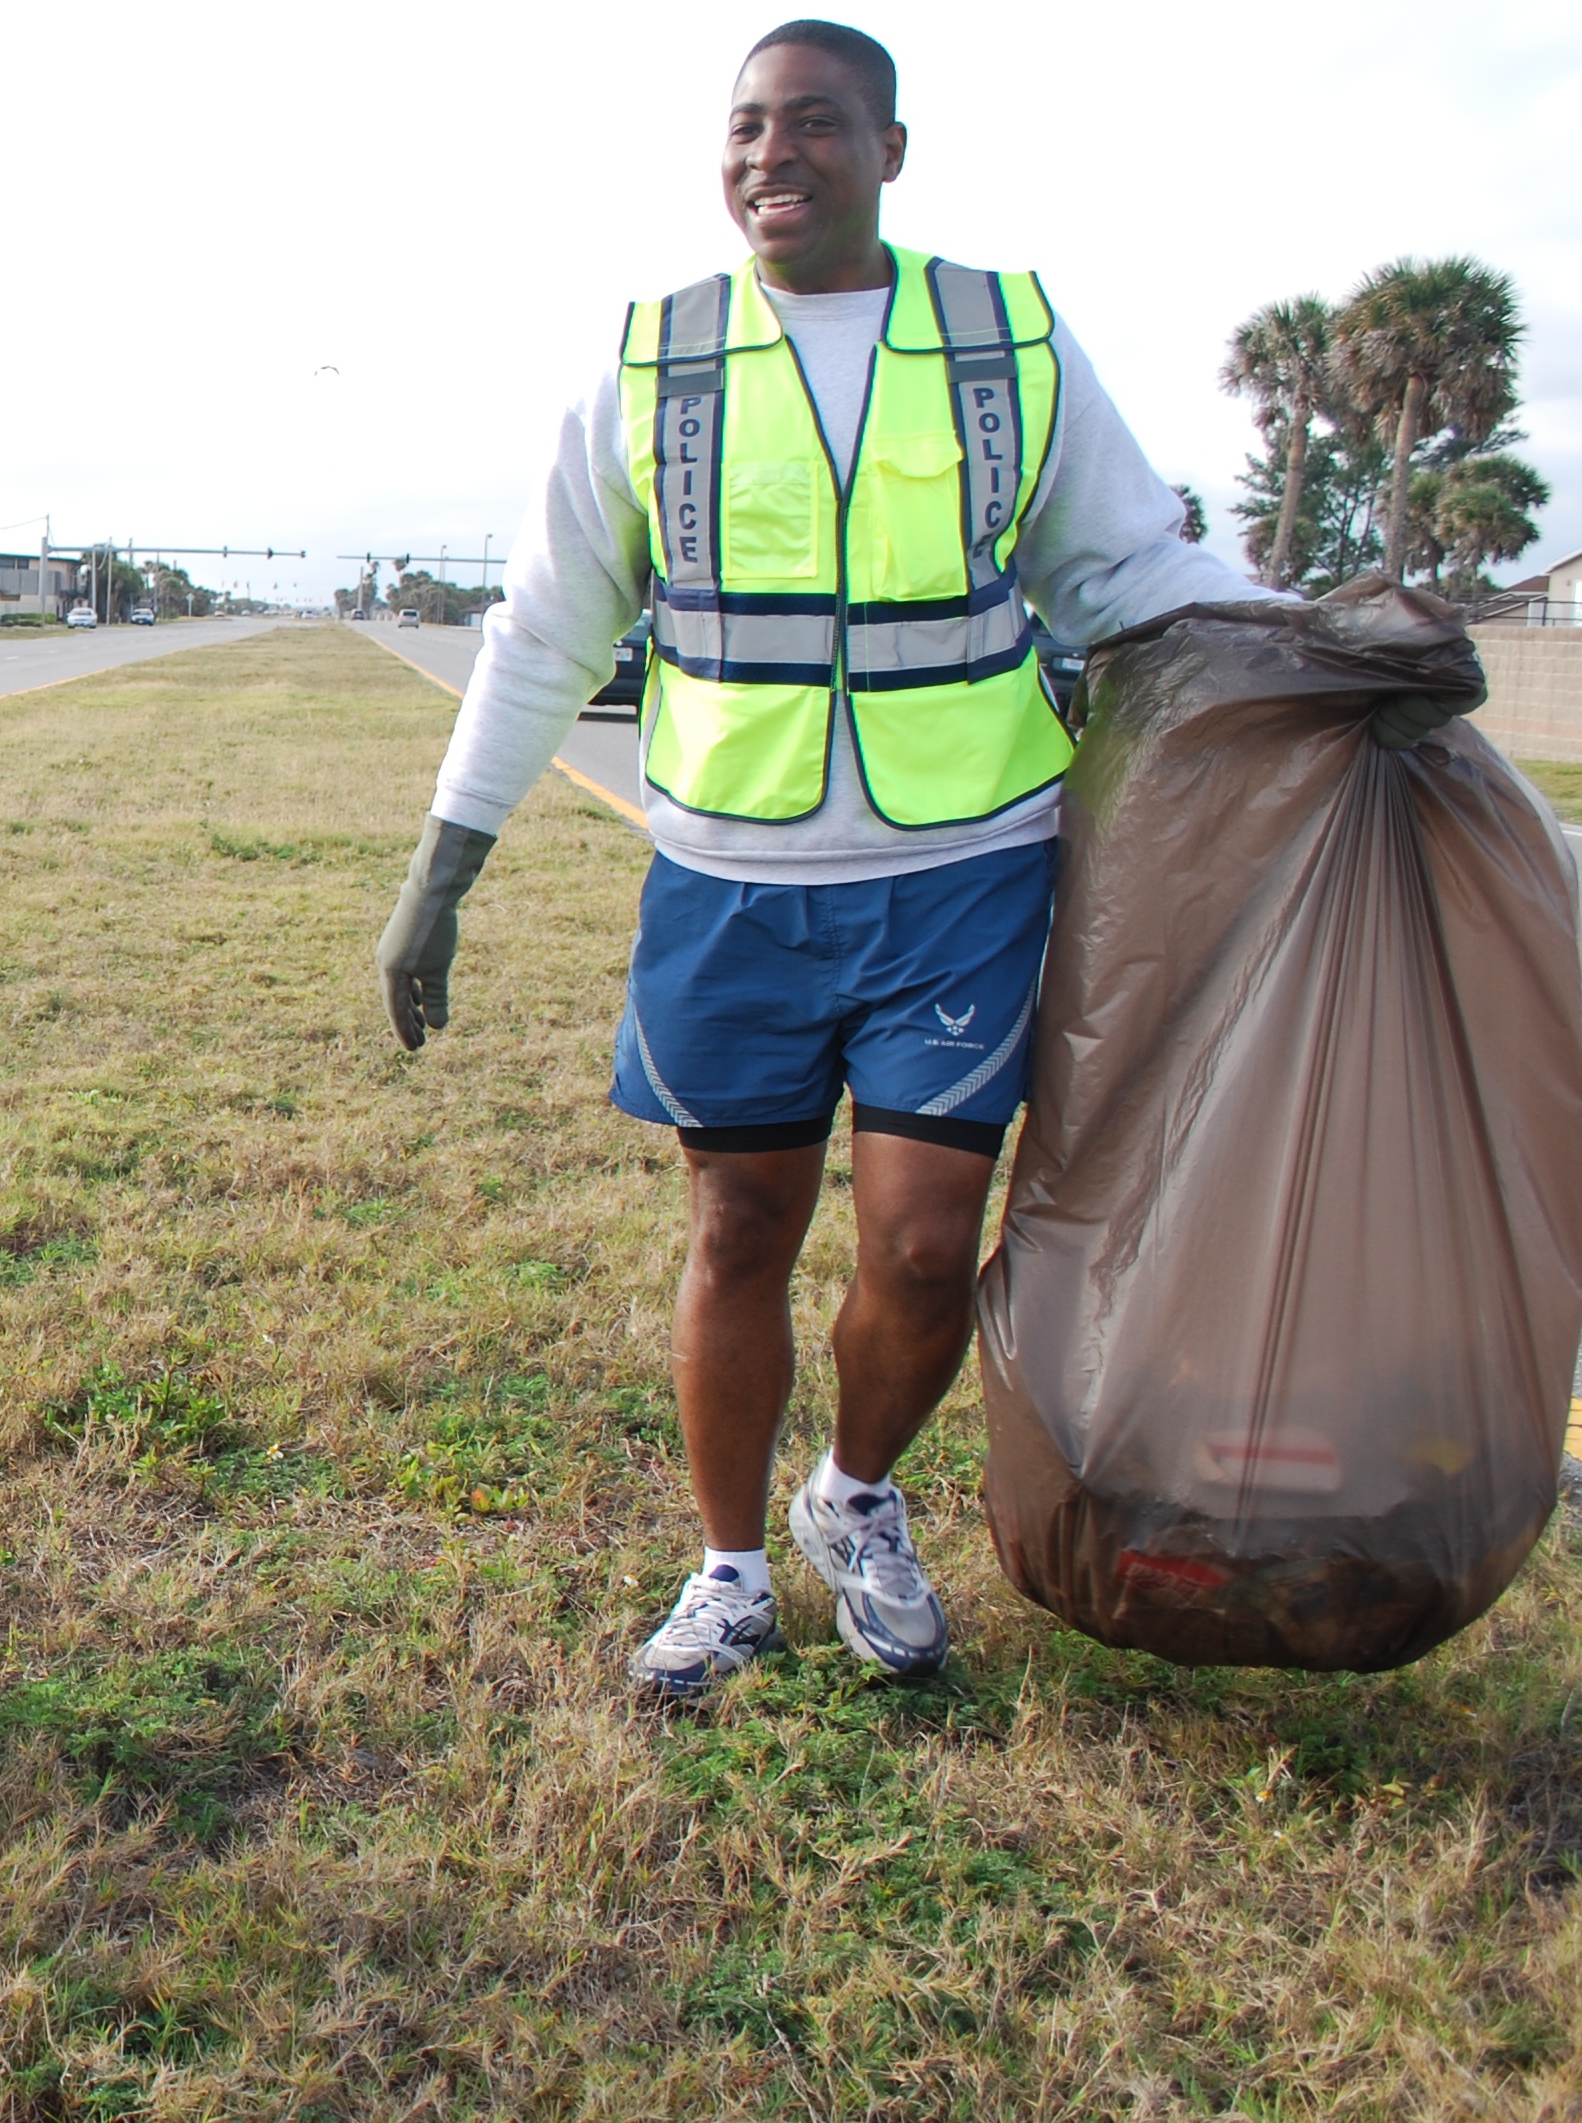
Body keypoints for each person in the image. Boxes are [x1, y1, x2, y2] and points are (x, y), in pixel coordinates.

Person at [372, 21, 1429, 1697]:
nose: (766, 155)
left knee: (928, 1243)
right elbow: (543, 627)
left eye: (809, 124)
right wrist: (444, 865)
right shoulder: (655, 358)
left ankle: (854, 1504)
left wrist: (1324, 644)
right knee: (737, 1231)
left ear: (889, 148)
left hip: (964, 870)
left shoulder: (1002, 335)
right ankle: (725, 1575)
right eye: (740, 128)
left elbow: (1127, 572)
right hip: (731, 878)